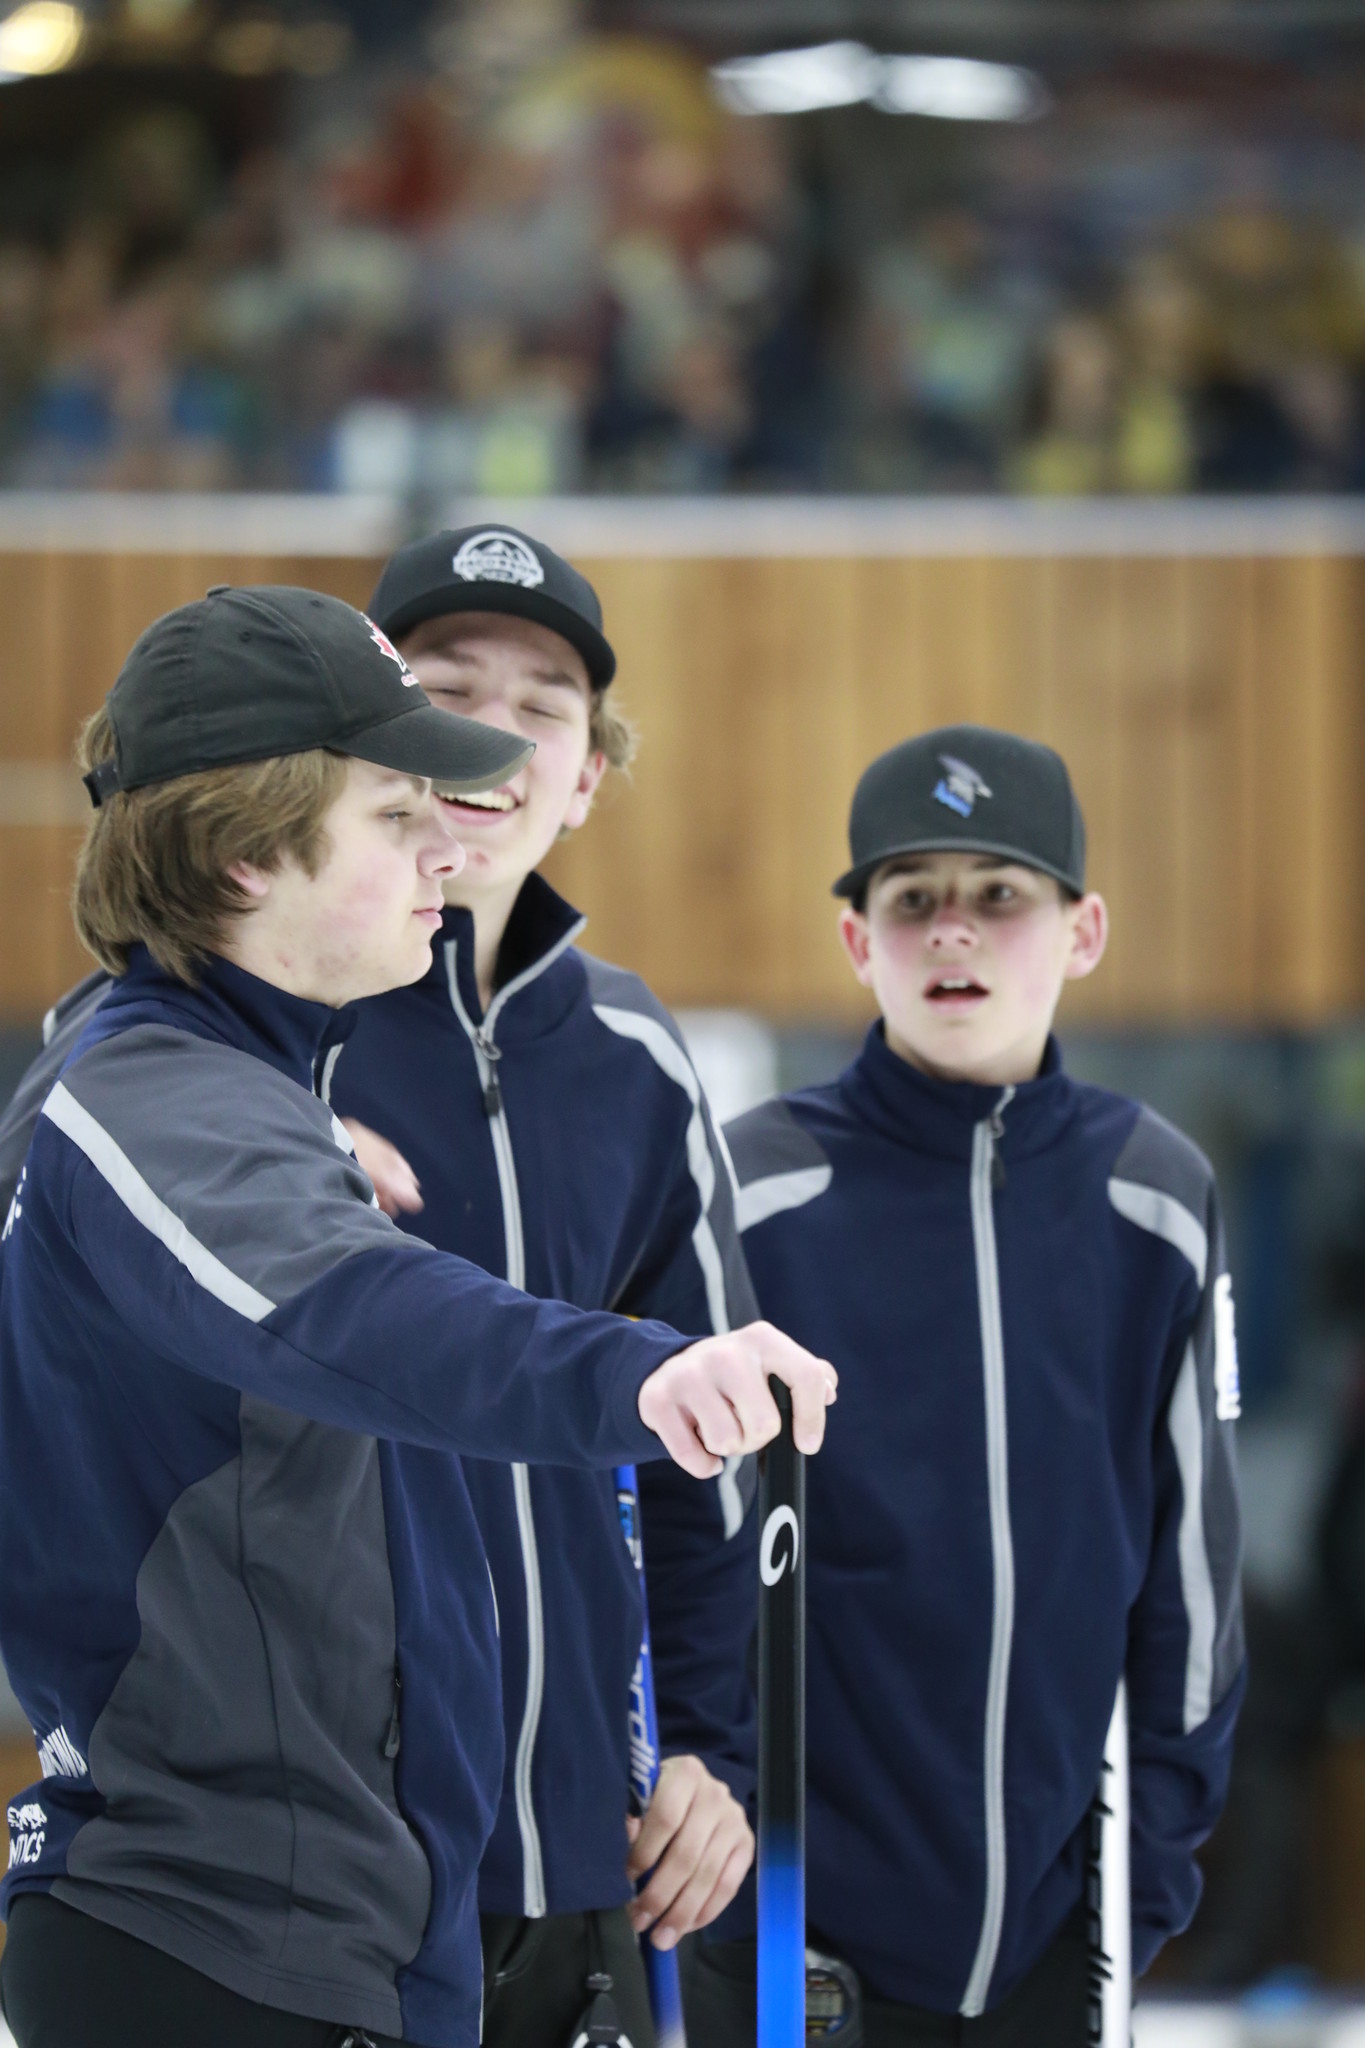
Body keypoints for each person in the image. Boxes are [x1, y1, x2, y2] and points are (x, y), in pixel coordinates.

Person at [0, 584, 836, 2048]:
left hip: (374, 1945)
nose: (451, 840)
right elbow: (371, 1320)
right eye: (395, 818)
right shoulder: (150, 1101)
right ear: (249, 853)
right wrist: (650, 1377)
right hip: (211, 1953)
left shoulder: (266, 1096)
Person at [689, 725, 1245, 2045]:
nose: (953, 932)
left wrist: (1146, 1878)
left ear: (1082, 928)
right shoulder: (749, 1191)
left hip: (1058, 1953)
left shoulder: (1155, 1199)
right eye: (912, 898)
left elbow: (1195, 1578)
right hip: (787, 1948)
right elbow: (675, 1549)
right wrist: (730, 1878)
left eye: (998, 895)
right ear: (854, 941)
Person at [322, 523, 759, 2048]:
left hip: (591, 1852)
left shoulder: (635, 1063)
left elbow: (717, 1447)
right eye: (446, 685)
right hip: (328, 1859)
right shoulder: (254, 1032)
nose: (490, 732)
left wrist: (710, 1748)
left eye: (542, 706)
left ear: (583, 778)